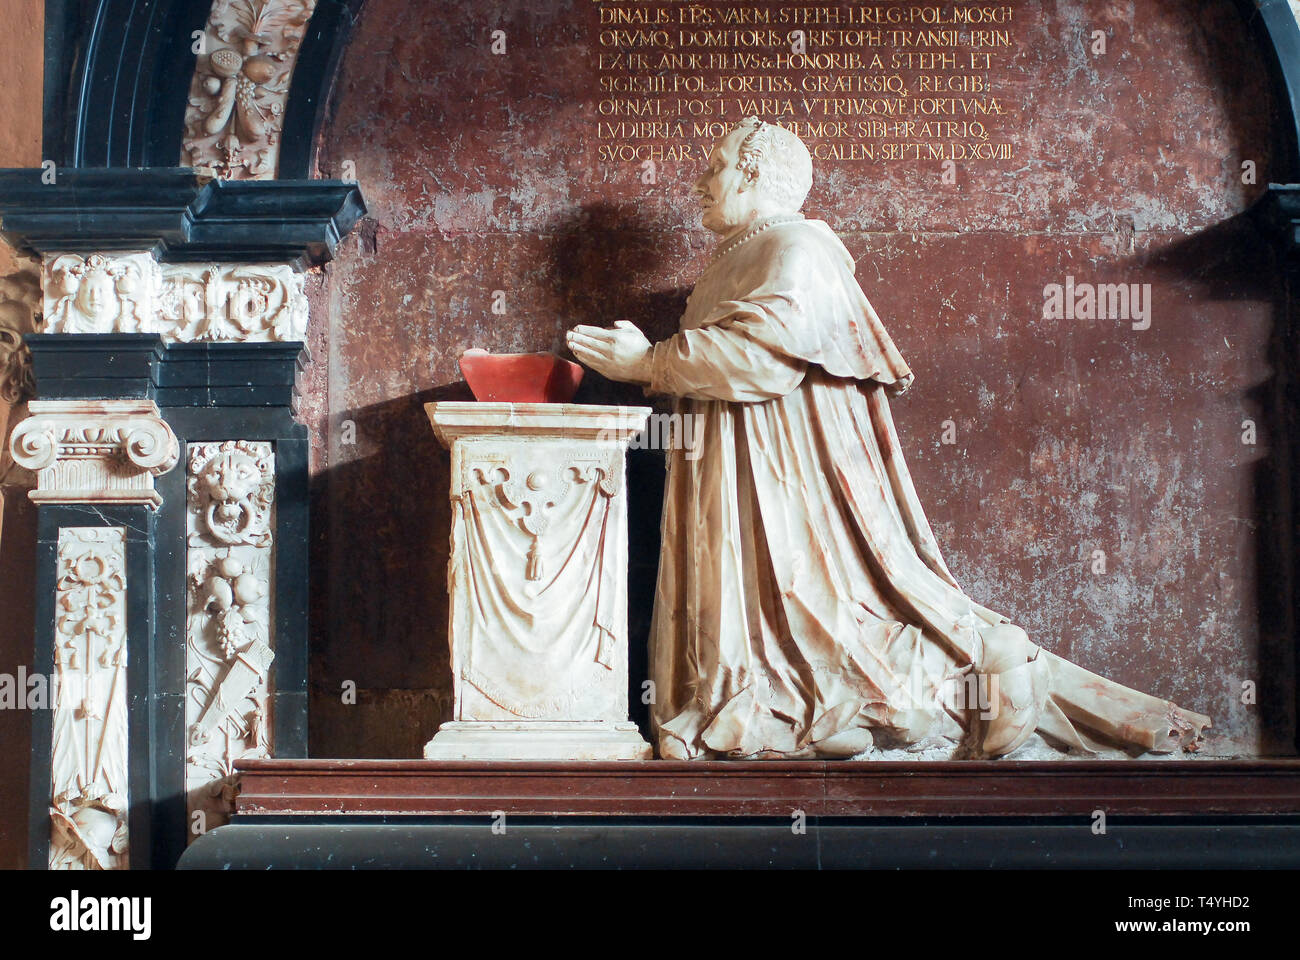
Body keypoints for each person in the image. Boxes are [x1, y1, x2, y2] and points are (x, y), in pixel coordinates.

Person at [567, 117, 1209, 759]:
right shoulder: (739, 257)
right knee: (782, 608)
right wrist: (652, 362)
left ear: (757, 174)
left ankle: (977, 665)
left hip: (788, 468)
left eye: (717, 165)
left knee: (828, 599)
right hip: (734, 461)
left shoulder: (796, 246)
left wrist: (646, 363)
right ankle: (784, 708)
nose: (703, 182)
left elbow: (761, 358)